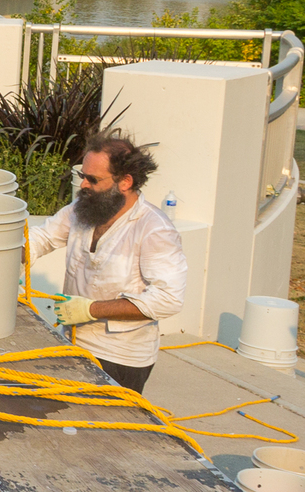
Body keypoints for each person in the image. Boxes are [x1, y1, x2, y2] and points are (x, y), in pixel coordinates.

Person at [28, 133, 187, 394]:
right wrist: (6, 255)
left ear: (125, 182)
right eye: (83, 176)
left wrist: (92, 309)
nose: (84, 186)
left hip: (121, 357)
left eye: (94, 179)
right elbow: (42, 238)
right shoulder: (84, 208)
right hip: (73, 341)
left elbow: (168, 299)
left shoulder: (155, 229)